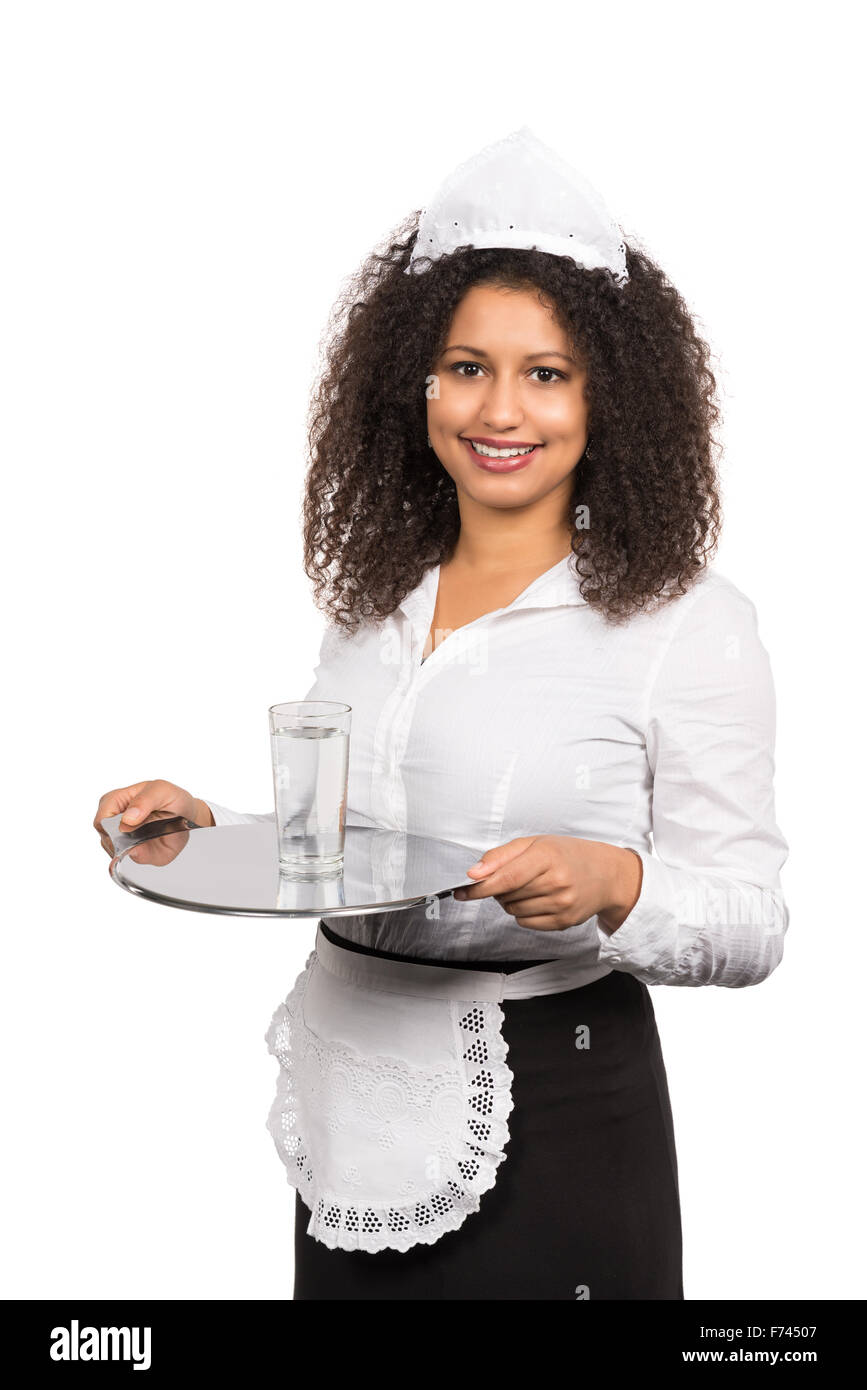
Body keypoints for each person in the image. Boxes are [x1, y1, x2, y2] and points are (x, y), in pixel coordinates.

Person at [94, 128, 789, 1300]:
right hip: (356, 1100)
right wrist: (209, 826)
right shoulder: (377, 601)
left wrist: (615, 880)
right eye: (466, 366)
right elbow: (374, 836)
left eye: (547, 372)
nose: (500, 408)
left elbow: (753, 923)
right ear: (414, 381)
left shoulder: (688, 624)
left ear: (609, 393)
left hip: (556, 1102)